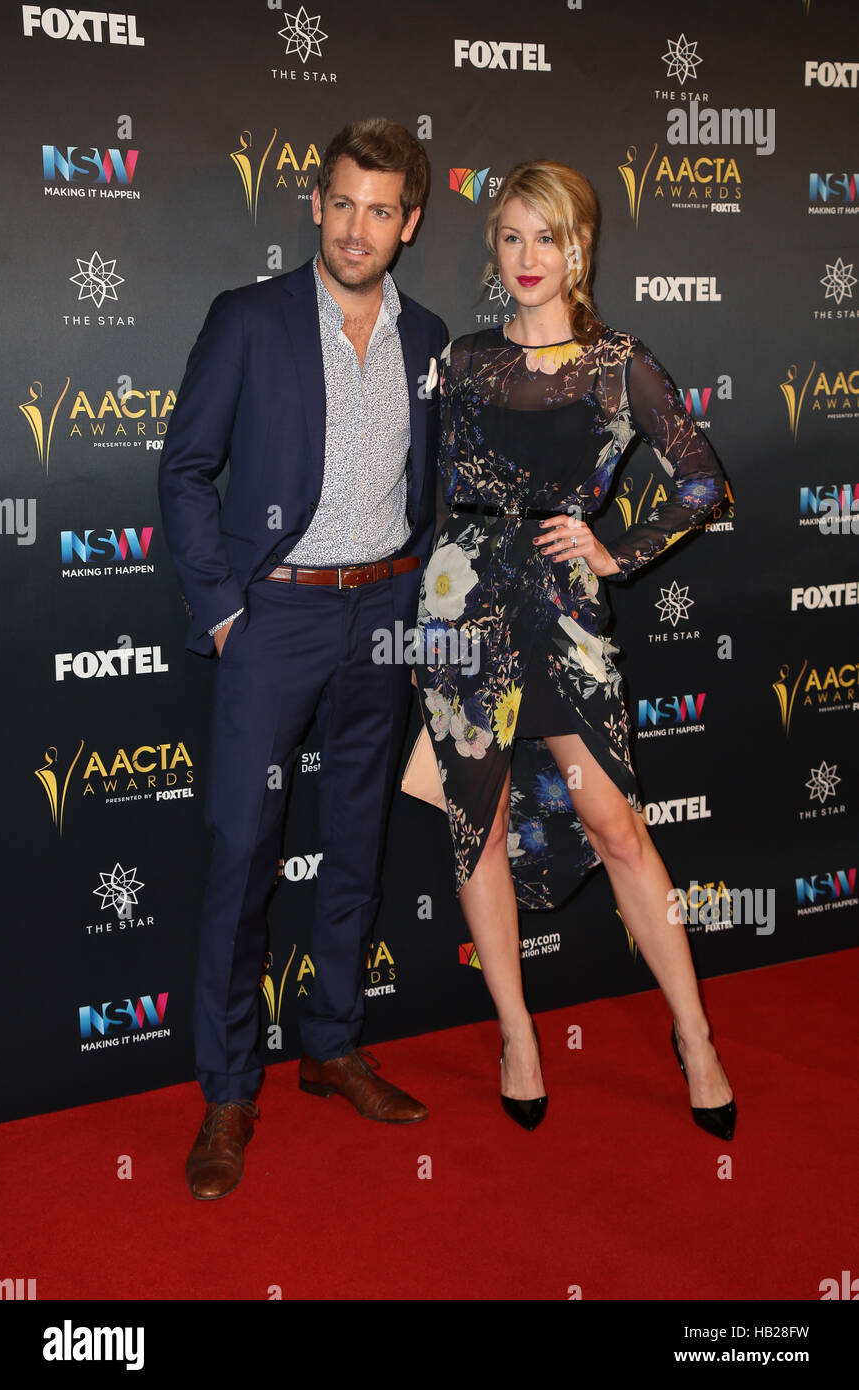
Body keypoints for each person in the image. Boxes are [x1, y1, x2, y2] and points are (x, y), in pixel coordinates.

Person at [409, 160, 736, 1137]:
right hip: (463, 599)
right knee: (479, 820)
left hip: (559, 601)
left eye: (544, 237)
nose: (525, 257)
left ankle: (695, 1036)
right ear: (491, 247)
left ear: (577, 248)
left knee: (618, 828)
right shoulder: (462, 360)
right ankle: (516, 1031)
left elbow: (698, 481)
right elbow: (433, 495)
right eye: (509, 236)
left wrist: (611, 550)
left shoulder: (617, 363)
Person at [158, 118, 447, 1200]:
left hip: (380, 609)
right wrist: (226, 610)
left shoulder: (430, 341)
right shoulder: (248, 319)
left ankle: (330, 1044)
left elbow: (431, 491)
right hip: (273, 617)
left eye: (380, 210)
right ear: (314, 204)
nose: (356, 226)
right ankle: (229, 1089)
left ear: (408, 223)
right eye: (342, 202)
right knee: (241, 853)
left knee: (356, 839)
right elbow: (185, 468)